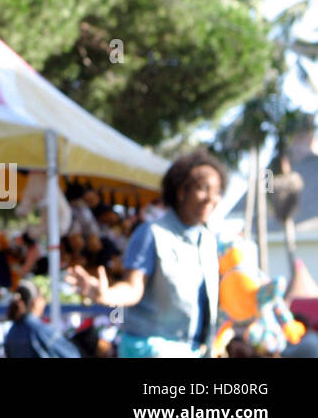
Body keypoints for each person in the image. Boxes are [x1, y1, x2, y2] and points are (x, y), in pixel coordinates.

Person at [66, 150, 223, 358]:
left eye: (217, 191)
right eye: (203, 189)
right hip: (152, 349)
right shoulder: (152, 233)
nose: (211, 198)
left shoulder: (209, 241)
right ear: (181, 191)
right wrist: (106, 295)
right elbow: (133, 288)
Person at [2, 282, 80, 358]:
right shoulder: (39, 330)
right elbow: (72, 354)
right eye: (43, 298)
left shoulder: (12, 332)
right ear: (36, 301)